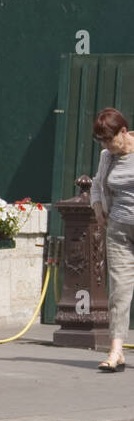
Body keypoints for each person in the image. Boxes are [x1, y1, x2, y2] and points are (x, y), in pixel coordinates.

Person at [93, 107, 134, 371]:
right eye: (102, 141)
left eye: (111, 139)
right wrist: (97, 205)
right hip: (119, 229)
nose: (108, 146)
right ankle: (116, 350)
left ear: (124, 131)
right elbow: (98, 183)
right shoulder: (107, 157)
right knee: (119, 290)